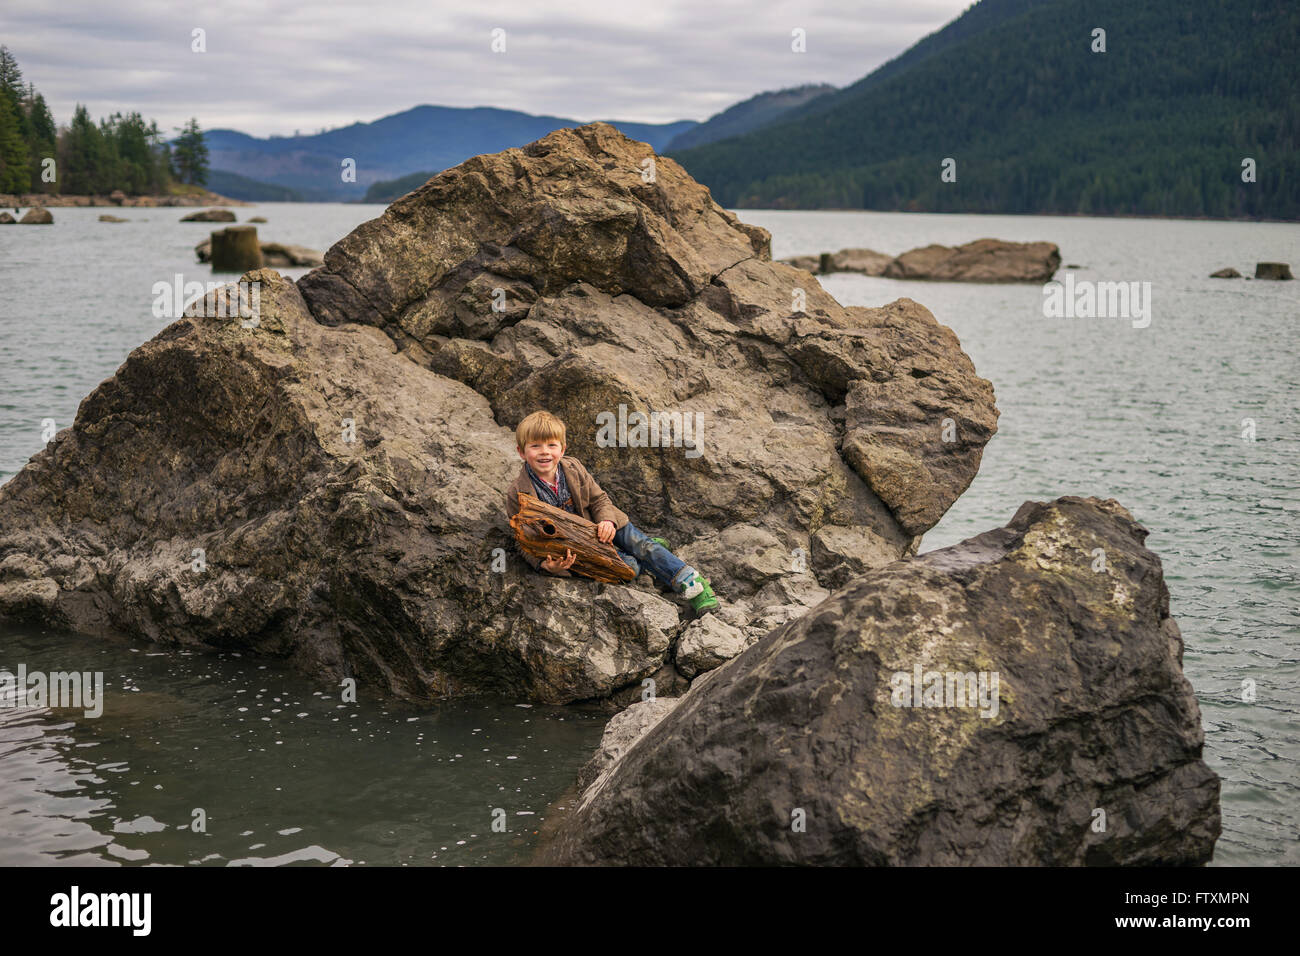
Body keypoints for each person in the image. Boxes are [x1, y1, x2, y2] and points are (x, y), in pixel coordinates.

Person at [504, 410, 719, 615]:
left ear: (562, 449)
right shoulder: (518, 493)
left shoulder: (573, 468)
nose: (544, 451)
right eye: (535, 446)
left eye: (552, 445)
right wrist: (545, 565)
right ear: (521, 452)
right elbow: (522, 542)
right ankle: (648, 557)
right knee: (631, 569)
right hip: (581, 546)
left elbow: (599, 499)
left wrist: (607, 520)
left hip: (605, 523)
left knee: (643, 546)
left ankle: (692, 583)